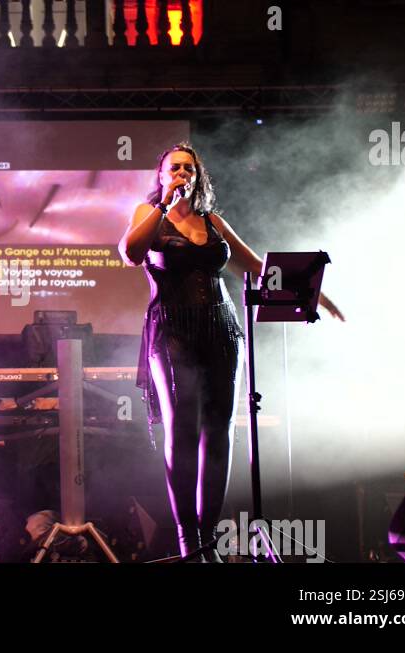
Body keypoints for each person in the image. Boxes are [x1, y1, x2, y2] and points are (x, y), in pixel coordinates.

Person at [118, 143, 345, 561]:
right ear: (162, 176)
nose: (182, 173)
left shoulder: (214, 222)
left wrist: (317, 296)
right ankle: (189, 540)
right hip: (173, 331)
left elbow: (257, 266)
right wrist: (164, 207)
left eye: (189, 168)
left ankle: (209, 540)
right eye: (174, 168)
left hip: (222, 329)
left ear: (198, 176)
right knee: (182, 433)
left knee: (219, 434)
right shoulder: (147, 215)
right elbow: (130, 253)